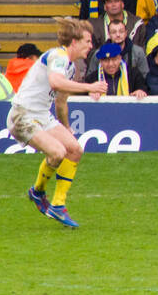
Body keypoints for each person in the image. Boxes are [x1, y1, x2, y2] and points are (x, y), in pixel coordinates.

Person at [9, 18, 108, 229]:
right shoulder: (59, 56)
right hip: (23, 115)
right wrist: (89, 87)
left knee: (74, 149)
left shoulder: (70, 67)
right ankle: (38, 192)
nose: (91, 46)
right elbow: (55, 82)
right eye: (87, 41)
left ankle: (57, 204)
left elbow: (60, 100)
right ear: (74, 41)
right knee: (57, 152)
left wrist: (66, 127)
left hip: (42, 115)